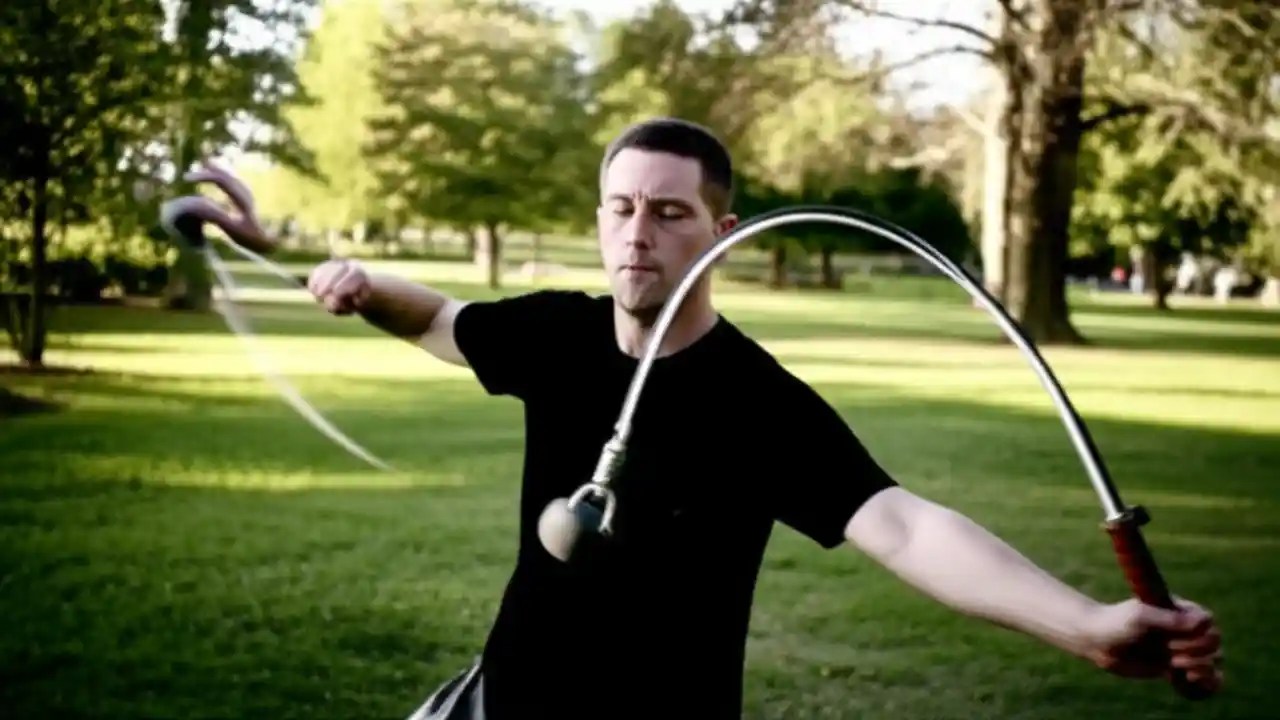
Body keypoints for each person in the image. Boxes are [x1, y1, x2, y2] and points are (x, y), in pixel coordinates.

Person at [179, 118, 1223, 719]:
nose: (638, 236)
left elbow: (899, 524)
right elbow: (445, 320)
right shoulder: (556, 335)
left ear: (719, 232)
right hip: (499, 702)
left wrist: (1085, 625)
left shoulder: (754, 402)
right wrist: (342, 280)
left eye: (669, 213)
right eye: (621, 208)